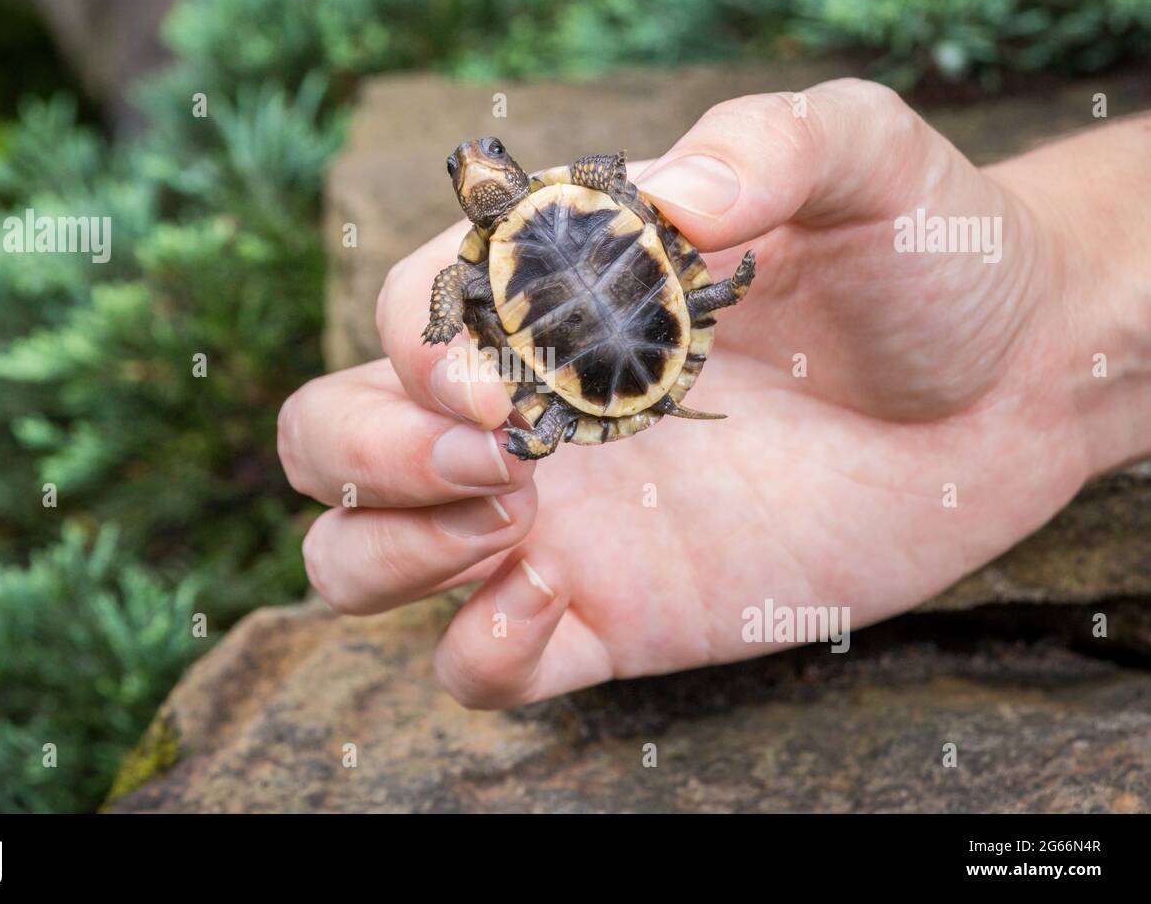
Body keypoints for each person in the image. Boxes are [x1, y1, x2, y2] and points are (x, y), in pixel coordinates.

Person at [278, 78, 1150, 709]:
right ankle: (519, 440)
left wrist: (1051, 327)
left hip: (623, 345)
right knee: (485, 410)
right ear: (466, 192)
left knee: (512, 383)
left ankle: (558, 407)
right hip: (637, 342)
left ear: (507, 167)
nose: (478, 165)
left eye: (488, 154)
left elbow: (628, 199)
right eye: (463, 164)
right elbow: (478, 298)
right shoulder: (506, 247)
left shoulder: (557, 204)